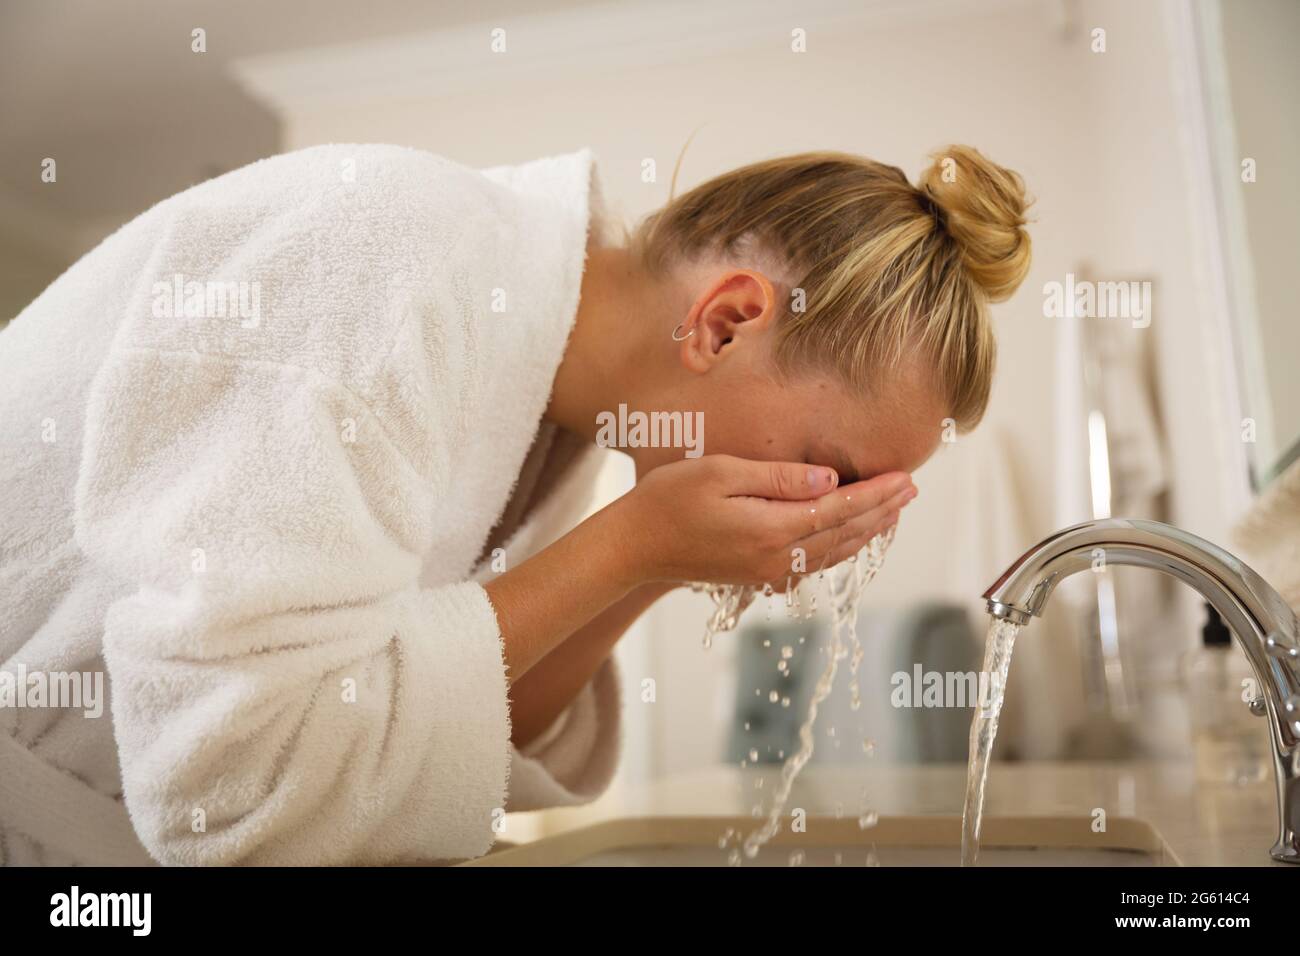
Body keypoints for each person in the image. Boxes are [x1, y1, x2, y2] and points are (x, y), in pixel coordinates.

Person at [0, 142, 1030, 864]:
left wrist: (656, 556)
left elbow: (472, 724)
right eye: (832, 469)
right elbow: (231, 779)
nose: (831, 521)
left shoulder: (561, 412)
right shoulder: (382, 261)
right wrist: (630, 544)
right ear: (723, 323)